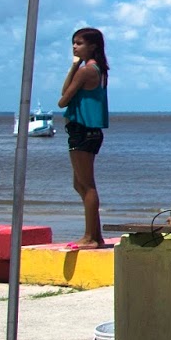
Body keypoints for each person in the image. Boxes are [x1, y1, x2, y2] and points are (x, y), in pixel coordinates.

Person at [57, 27, 109, 249]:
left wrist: (76, 67)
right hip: (87, 132)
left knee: (87, 185)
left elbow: (63, 99)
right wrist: (74, 64)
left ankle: (90, 237)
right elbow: (65, 91)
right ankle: (96, 235)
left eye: (79, 43)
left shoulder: (88, 70)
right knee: (79, 184)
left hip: (82, 131)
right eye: (74, 43)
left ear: (92, 46)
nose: (75, 47)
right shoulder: (95, 69)